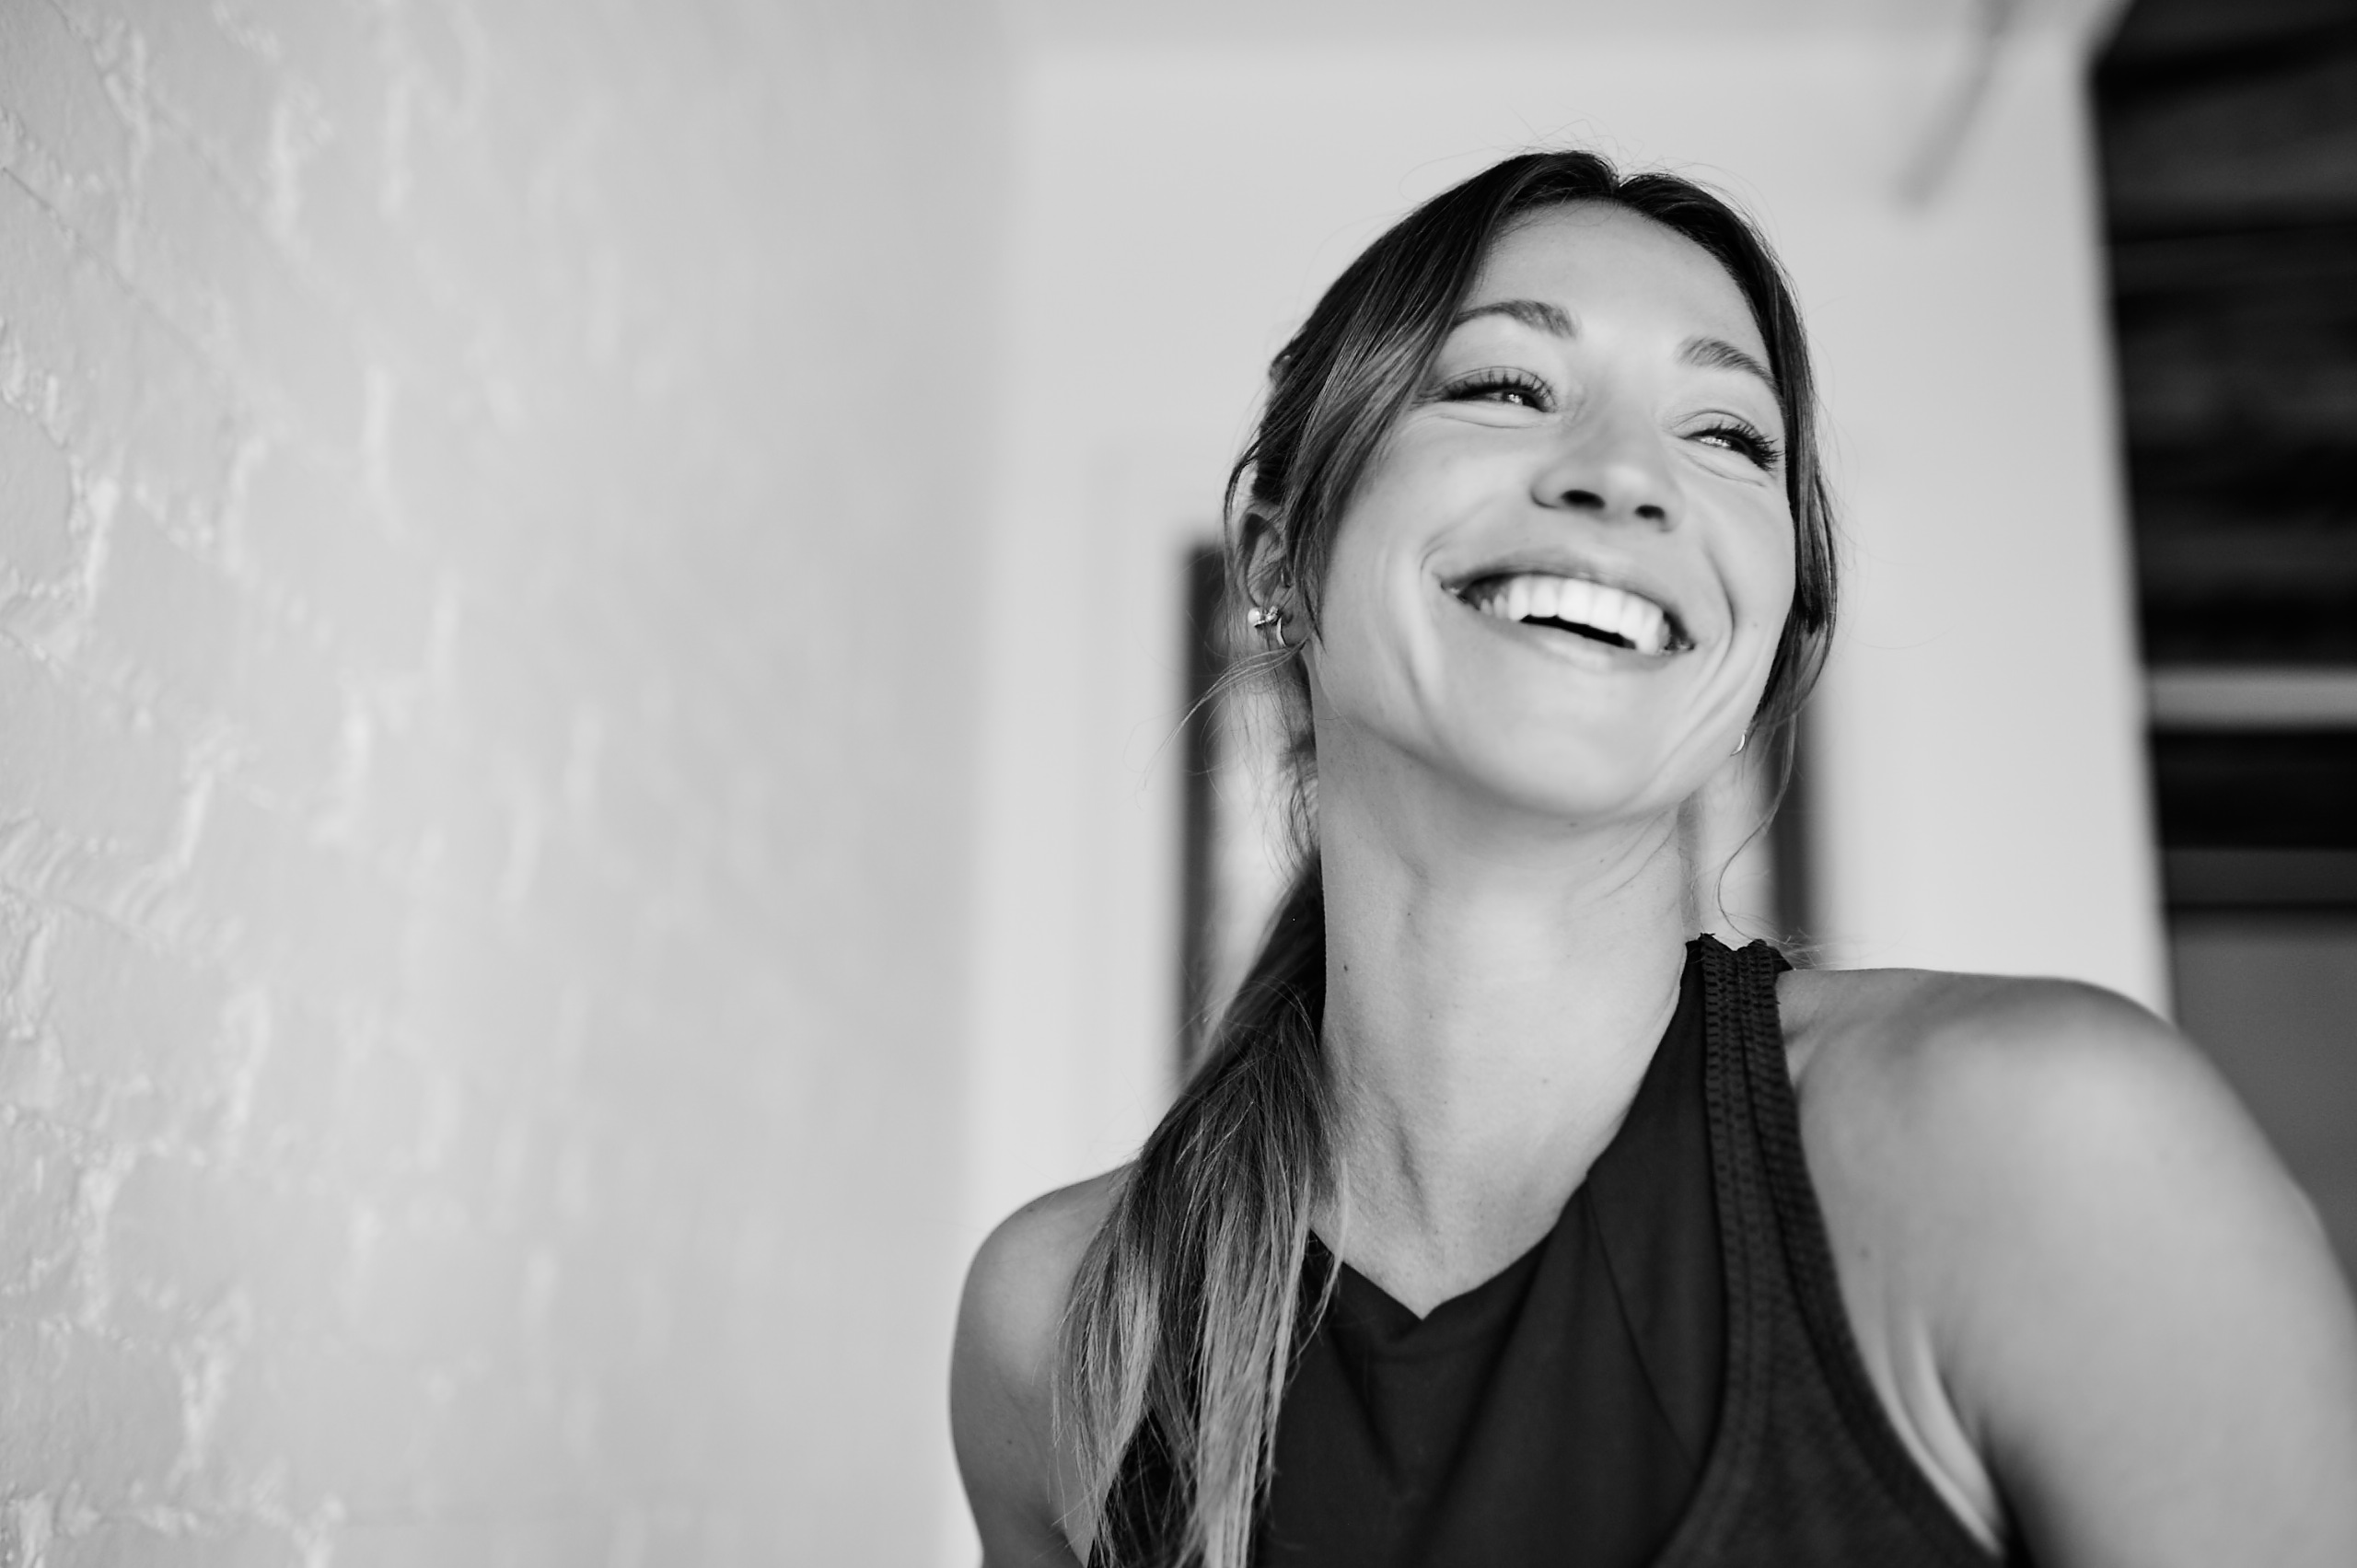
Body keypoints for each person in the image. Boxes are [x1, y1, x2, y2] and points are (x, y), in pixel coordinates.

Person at [949, 151, 2357, 1568]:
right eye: (1503, 387)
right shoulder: (1058, 1325)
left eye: (1729, 436)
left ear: (1778, 626)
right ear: (1276, 558)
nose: (1624, 478)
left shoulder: (2050, 1149)